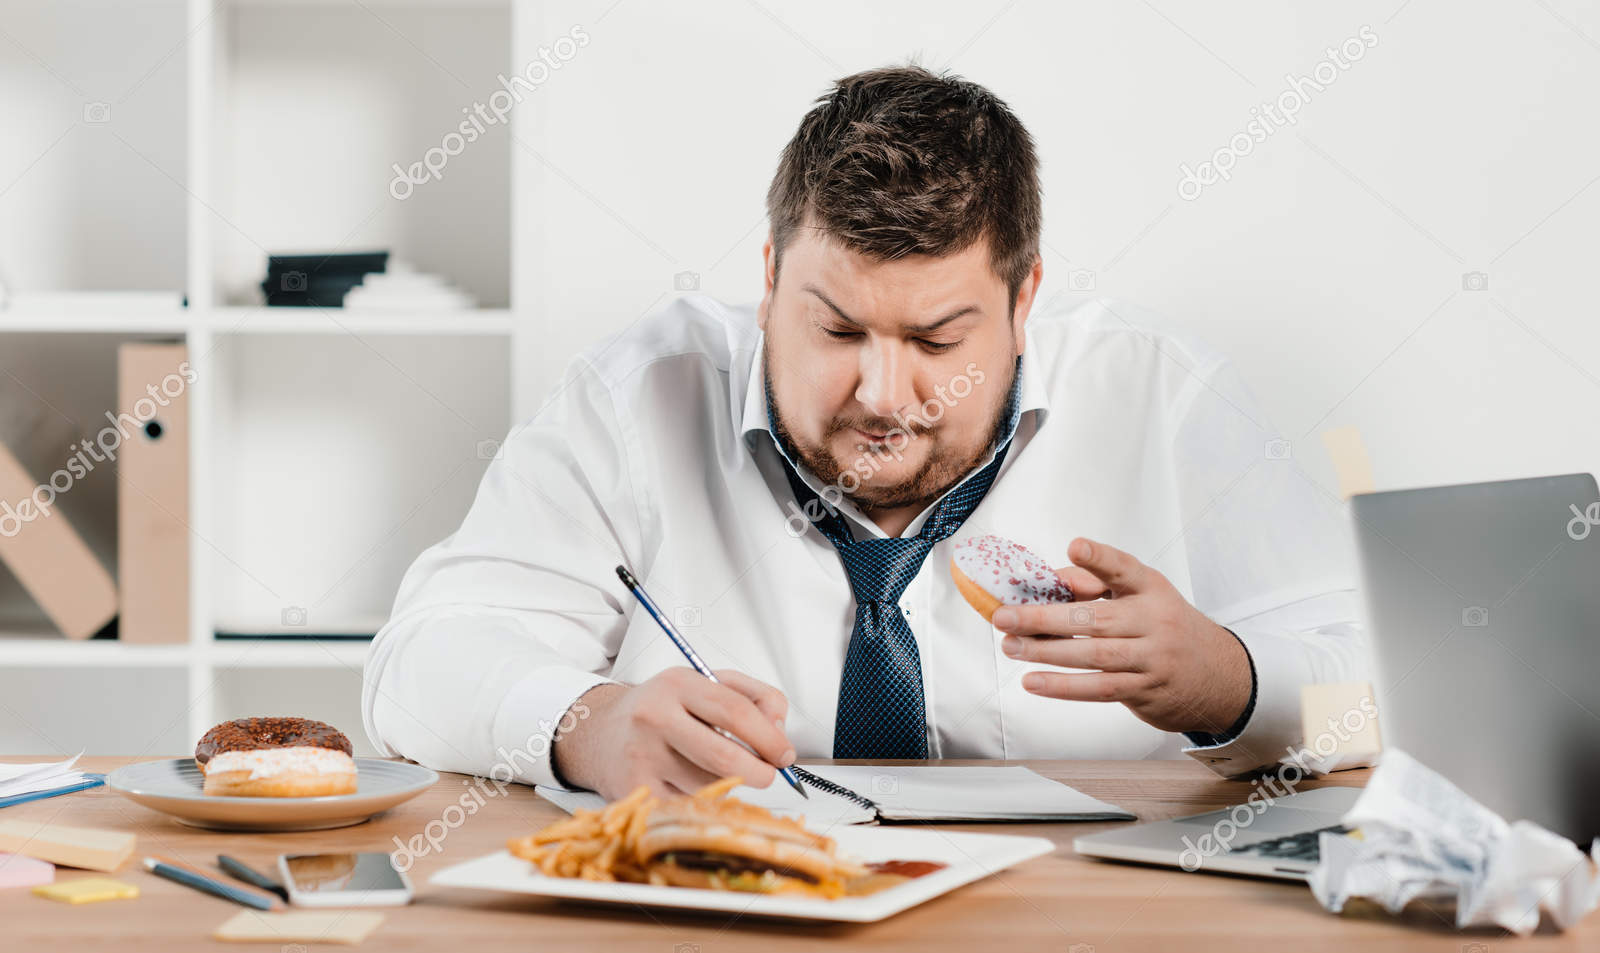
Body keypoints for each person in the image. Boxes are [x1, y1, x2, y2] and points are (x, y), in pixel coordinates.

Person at [364, 65, 1367, 800]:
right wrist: (586, 723)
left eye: (936, 339)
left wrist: (1228, 682)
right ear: (767, 282)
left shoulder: (1160, 393)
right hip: (737, 942)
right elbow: (414, 667)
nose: (885, 394)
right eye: (836, 329)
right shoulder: (639, 394)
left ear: (1025, 303)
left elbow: (1379, 699)